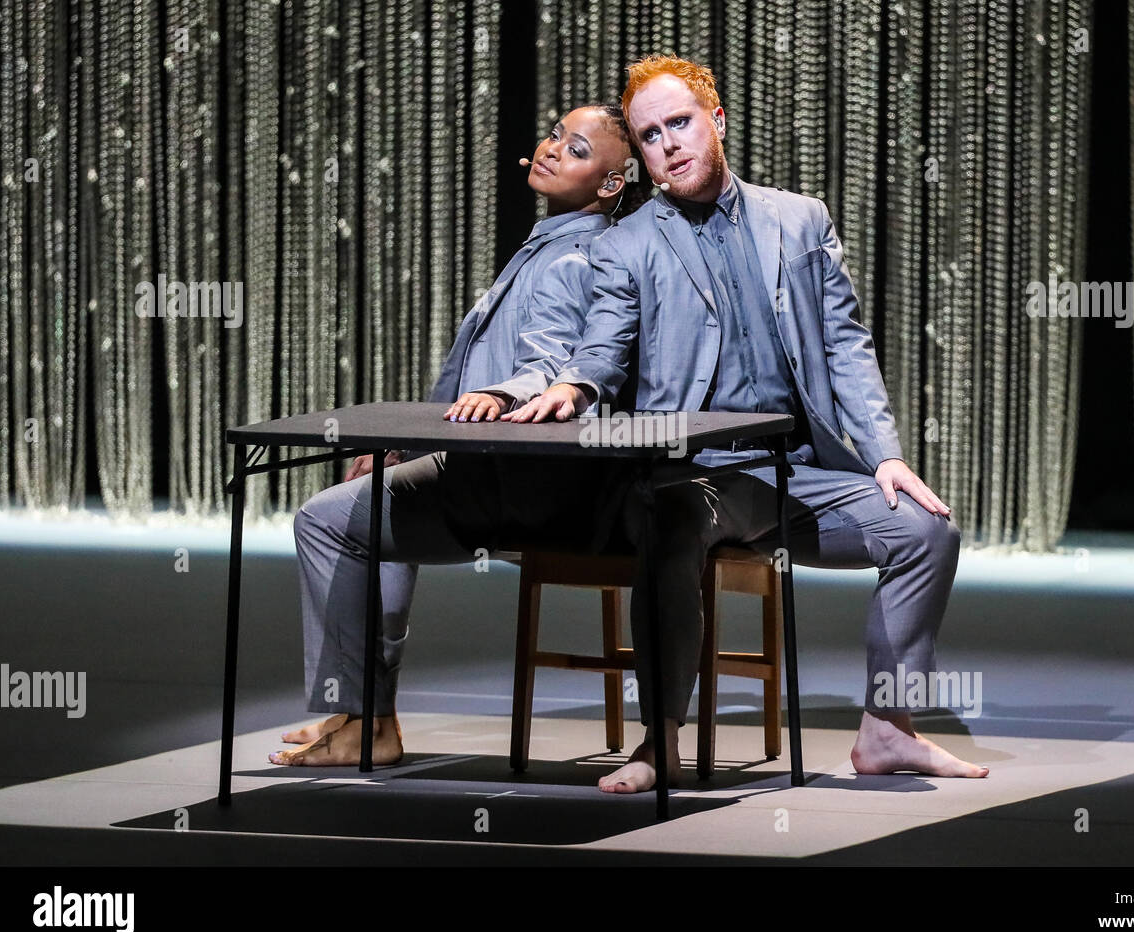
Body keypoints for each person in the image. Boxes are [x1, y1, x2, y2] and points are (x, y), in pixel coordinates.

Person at [505, 55, 986, 792]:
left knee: (926, 532)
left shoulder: (800, 219)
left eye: (680, 123)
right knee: (670, 520)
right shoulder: (625, 243)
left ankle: (889, 730)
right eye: (649, 135)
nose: (667, 142)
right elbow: (602, 344)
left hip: (797, 474)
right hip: (697, 476)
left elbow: (844, 344)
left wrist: (885, 456)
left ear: (717, 120)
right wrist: (575, 382)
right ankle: (659, 741)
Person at [271, 104, 647, 767]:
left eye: (578, 148)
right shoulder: (558, 244)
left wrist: (506, 394)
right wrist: (406, 446)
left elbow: (553, 366)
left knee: (327, 523)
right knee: (374, 501)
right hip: (517, 471)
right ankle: (356, 706)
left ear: (611, 185)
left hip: (524, 486)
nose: (553, 148)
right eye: (554, 134)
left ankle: (368, 718)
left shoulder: (577, 257)